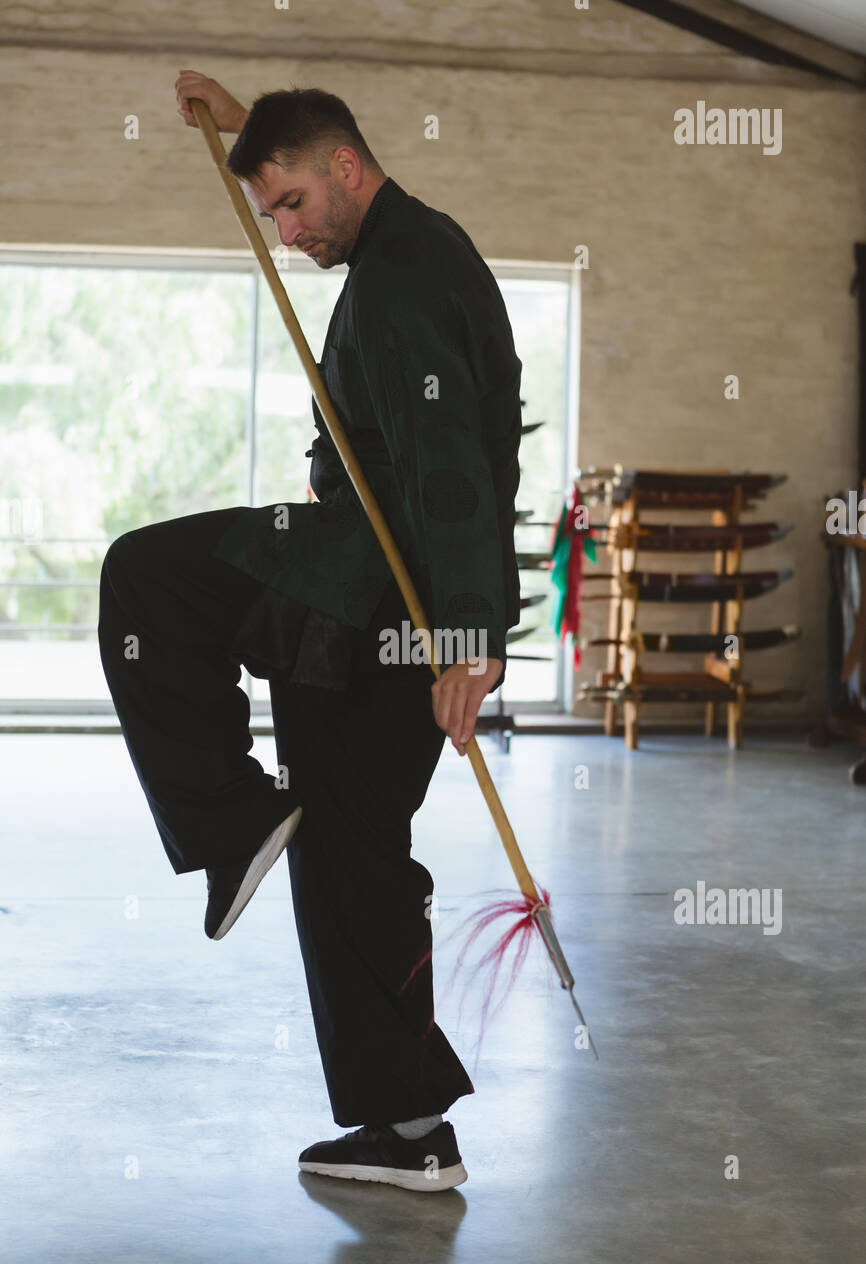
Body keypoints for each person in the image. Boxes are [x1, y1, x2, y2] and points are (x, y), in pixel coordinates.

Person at [97, 70, 523, 1192]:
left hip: (372, 589)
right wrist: (249, 130)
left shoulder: (403, 278)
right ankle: (408, 1130)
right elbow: (308, 143)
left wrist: (468, 636)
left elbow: (448, 469)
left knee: (144, 574)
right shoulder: (398, 250)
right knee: (350, 848)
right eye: (270, 212)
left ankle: (233, 817)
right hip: (383, 601)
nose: (282, 233)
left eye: (290, 204)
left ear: (345, 168)